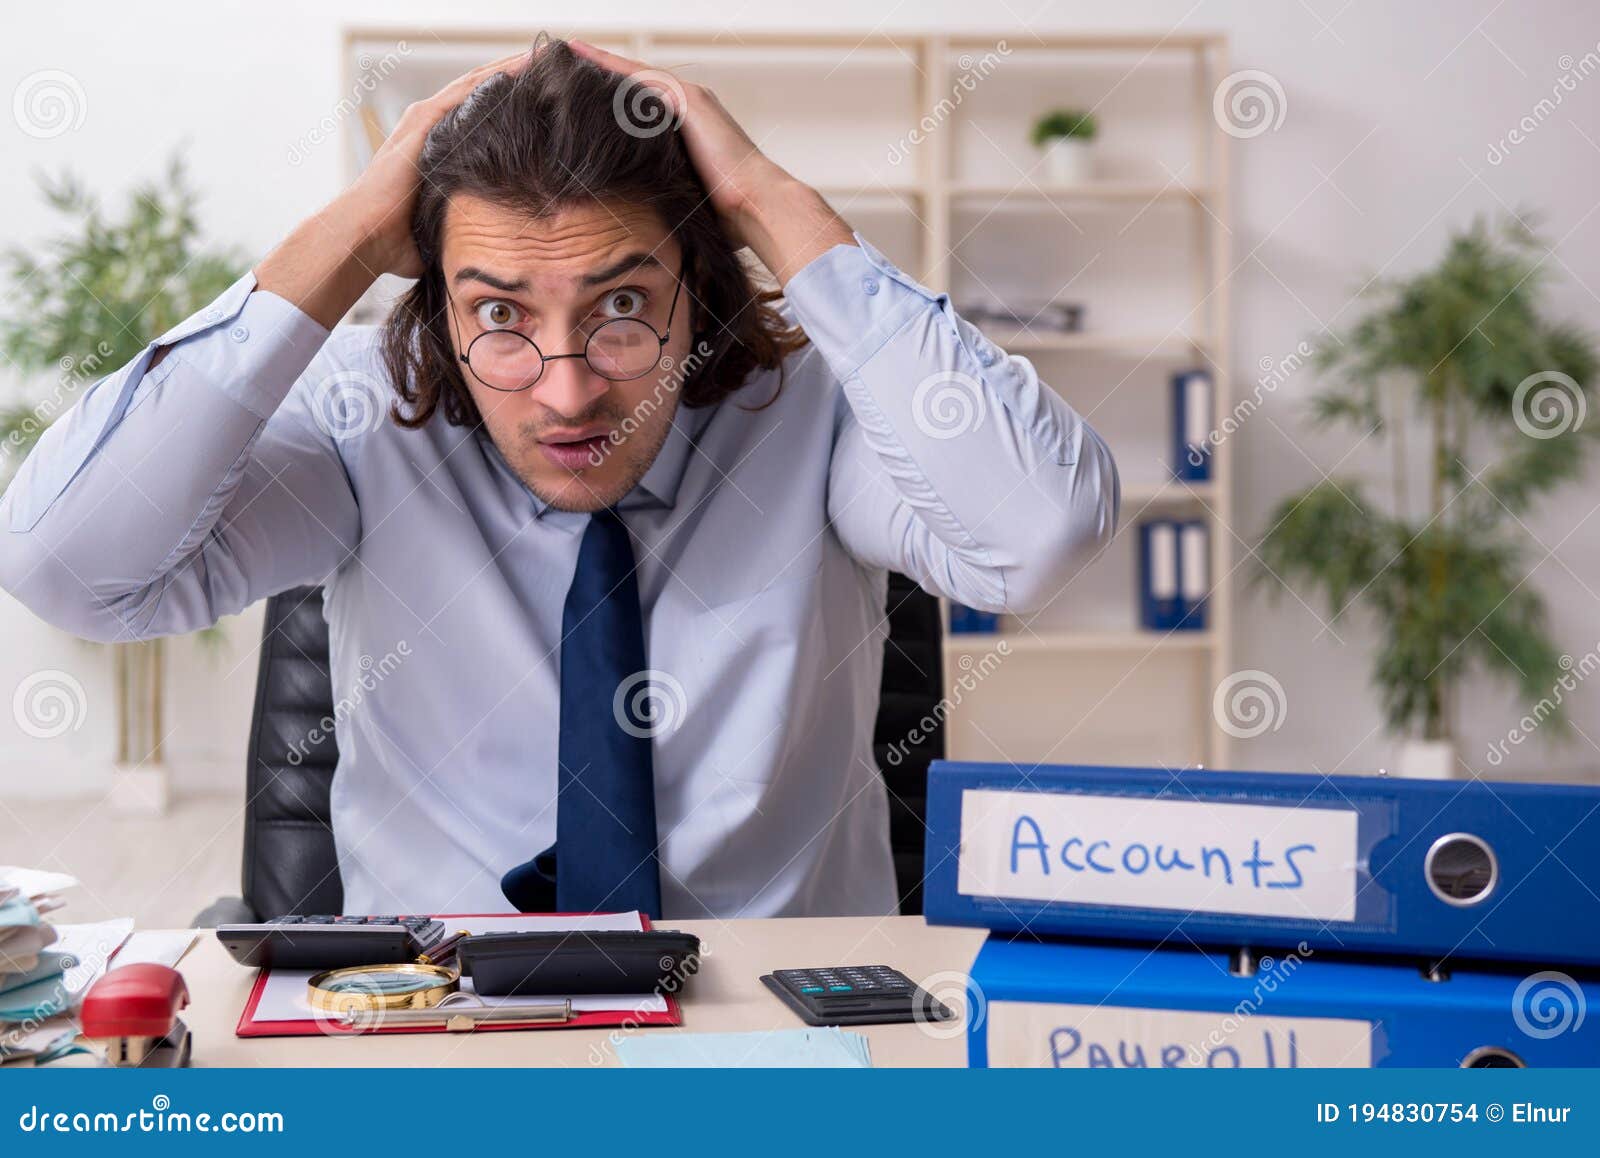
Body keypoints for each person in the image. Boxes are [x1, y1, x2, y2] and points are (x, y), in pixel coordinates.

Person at [0, 38, 1118, 919]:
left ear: (701, 286)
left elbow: (1036, 535)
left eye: (623, 306)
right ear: (436, 306)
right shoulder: (363, 420)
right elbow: (64, 567)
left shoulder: (817, 415)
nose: (568, 392)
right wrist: (341, 241)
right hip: (434, 1026)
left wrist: (776, 208)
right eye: (499, 314)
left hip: (774, 1033)